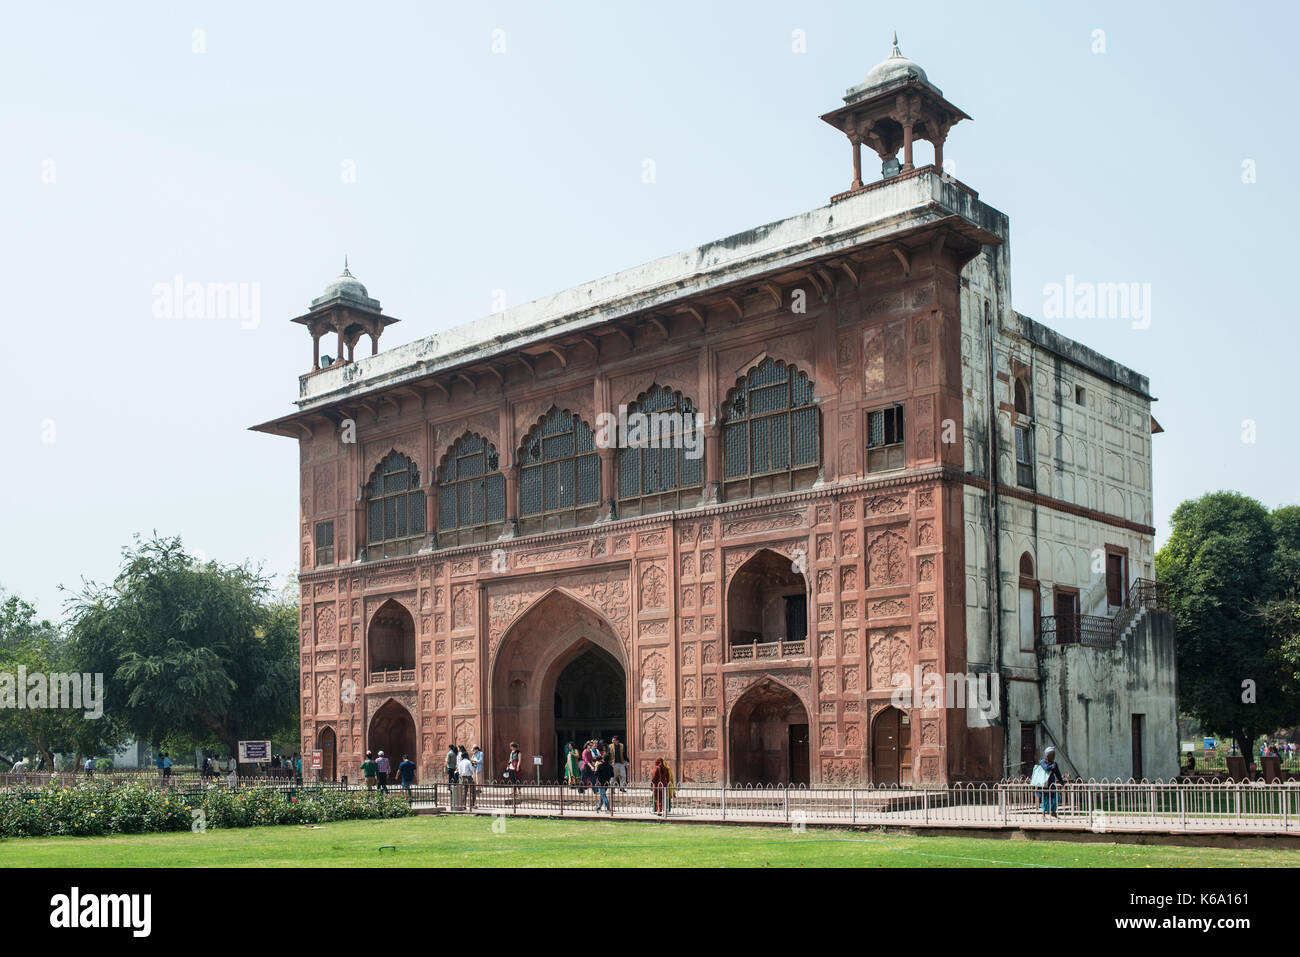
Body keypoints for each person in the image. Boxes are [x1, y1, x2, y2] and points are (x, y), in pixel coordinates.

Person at [1032, 746, 1065, 817]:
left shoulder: (1054, 763)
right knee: (1045, 799)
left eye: (1054, 754)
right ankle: (1043, 814)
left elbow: (1058, 773)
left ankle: (1053, 811)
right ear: (1048, 755)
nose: (1054, 756)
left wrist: (1062, 782)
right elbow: (1046, 768)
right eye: (1052, 754)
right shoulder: (1043, 762)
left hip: (1051, 784)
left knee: (1057, 797)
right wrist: (1052, 766)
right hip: (1044, 785)